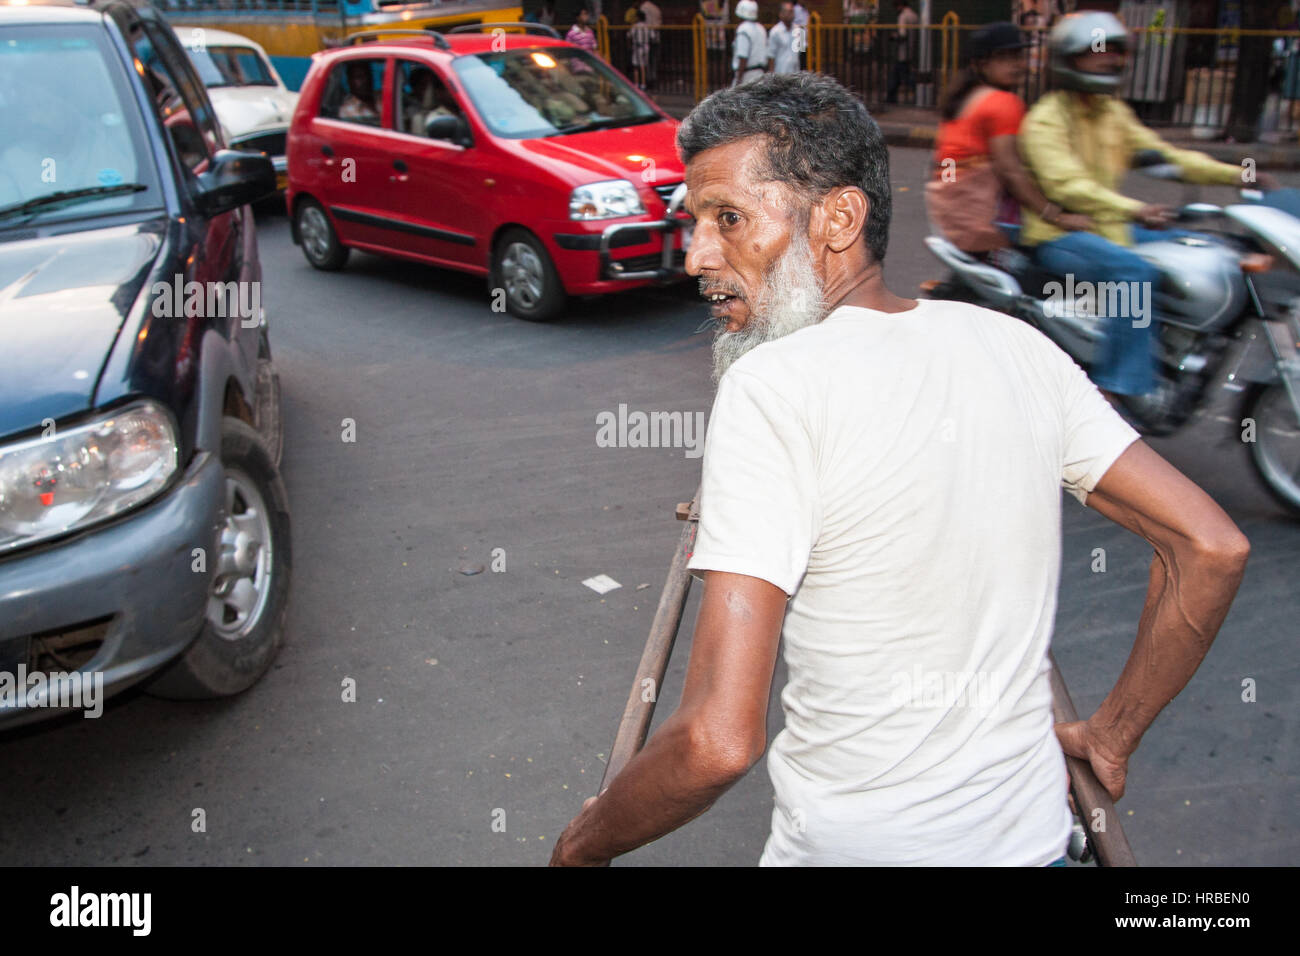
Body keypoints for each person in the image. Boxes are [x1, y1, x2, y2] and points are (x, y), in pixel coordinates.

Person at [551, 72, 1249, 867]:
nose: (697, 255)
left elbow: (715, 740)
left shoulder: (773, 386)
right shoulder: (1012, 344)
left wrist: (582, 845)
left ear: (839, 217)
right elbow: (1209, 547)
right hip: (1035, 849)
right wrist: (1110, 737)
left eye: (729, 219)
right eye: (696, 222)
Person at [1019, 11, 1279, 398]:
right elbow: (1068, 185)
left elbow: (1168, 157)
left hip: (1109, 226)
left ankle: (1172, 351)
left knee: (1201, 249)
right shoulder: (1045, 121)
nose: (1109, 59)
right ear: (1070, 59)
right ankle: (1124, 388)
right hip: (1060, 234)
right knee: (1134, 272)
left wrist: (1237, 174)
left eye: (1115, 51)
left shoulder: (1113, 114)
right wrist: (1135, 209)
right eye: (1097, 51)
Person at [926, 22, 1090, 254]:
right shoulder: (1002, 103)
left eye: (1018, 56)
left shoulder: (962, 100)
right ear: (980, 64)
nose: (1018, 64)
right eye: (1005, 57)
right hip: (986, 220)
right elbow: (1011, 170)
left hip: (950, 216)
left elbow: (948, 163)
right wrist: (1056, 216)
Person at [887, 0, 918, 104]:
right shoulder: (914, 15)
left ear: (899, 6)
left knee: (903, 75)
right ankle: (891, 97)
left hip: (902, 52)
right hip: (911, 50)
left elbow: (902, 35)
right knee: (898, 75)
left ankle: (892, 98)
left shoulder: (903, 17)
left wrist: (893, 36)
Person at [732, 0, 767, 86]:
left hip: (746, 75)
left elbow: (743, 56)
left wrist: (738, 79)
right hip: (760, 73)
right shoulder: (761, 28)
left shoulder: (743, 29)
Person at [767, 2, 803, 75]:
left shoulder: (799, 31)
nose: (791, 14)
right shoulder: (775, 32)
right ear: (781, 14)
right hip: (780, 74)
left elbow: (801, 54)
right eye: (789, 12)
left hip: (796, 74)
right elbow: (771, 56)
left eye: (792, 11)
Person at [640, 0, 662, 87]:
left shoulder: (644, 7)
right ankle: (653, 78)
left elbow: (644, 22)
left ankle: (647, 80)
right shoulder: (656, 8)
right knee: (653, 60)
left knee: (646, 60)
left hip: (646, 37)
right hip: (655, 37)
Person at [629, 9, 651, 89]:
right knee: (643, 66)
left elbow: (629, 35)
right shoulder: (647, 26)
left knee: (636, 66)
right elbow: (652, 36)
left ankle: (637, 83)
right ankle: (643, 83)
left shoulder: (635, 26)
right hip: (645, 46)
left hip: (637, 46)